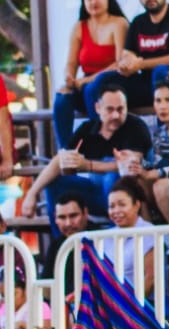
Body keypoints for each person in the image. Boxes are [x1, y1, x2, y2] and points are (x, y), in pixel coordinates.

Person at [20, 83, 152, 226]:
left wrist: (88, 165)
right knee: (54, 183)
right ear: (98, 108)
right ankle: (62, 241)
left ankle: (118, 237)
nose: (115, 115)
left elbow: (130, 164)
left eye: (120, 109)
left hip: (127, 197)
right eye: (110, 109)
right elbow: (59, 161)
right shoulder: (88, 129)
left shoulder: (135, 127)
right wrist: (32, 193)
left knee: (112, 178)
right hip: (95, 194)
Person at [52, 0, 129, 148]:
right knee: (62, 97)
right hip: (85, 82)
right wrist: (69, 77)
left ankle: (99, 145)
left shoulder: (118, 23)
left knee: (91, 88)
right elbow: (71, 62)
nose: (93, 1)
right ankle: (66, 151)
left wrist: (86, 80)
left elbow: (119, 63)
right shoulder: (79, 27)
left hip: (111, 81)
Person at [98, 177, 166, 295]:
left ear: (136, 205)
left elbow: (151, 277)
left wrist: (127, 307)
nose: (116, 211)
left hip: (138, 307)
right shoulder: (106, 237)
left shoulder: (149, 232)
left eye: (122, 205)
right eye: (112, 206)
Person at [140, 80, 169, 223]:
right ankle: (149, 237)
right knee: (137, 183)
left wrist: (158, 173)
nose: (162, 106)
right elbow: (152, 165)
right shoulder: (158, 134)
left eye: (168, 100)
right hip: (167, 183)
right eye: (158, 101)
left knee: (161, 187)